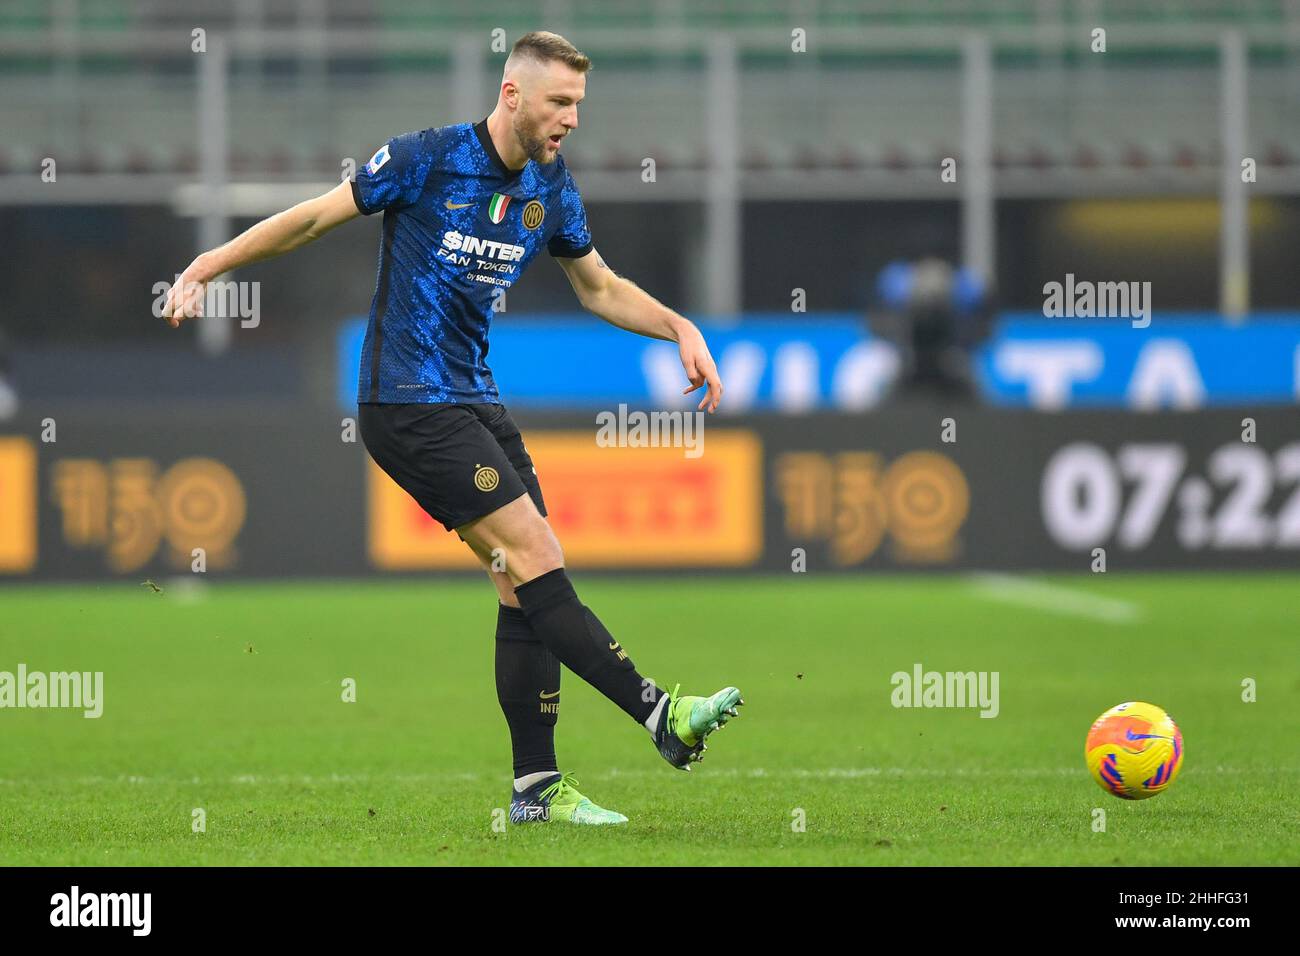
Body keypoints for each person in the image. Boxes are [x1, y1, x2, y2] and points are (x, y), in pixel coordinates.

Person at [162, 31, 742, 826]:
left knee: (522, 583)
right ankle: (660, 716)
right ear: (513, 95)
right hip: (406, 403)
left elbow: (598, 286)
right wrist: (207, 264)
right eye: (560, 103)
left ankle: (535, 791)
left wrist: (680, 326)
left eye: (578, 104)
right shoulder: (424, 159)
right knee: (537, 555)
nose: (571, 119)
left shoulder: (549, 185)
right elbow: (312, 221)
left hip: (473, 399)